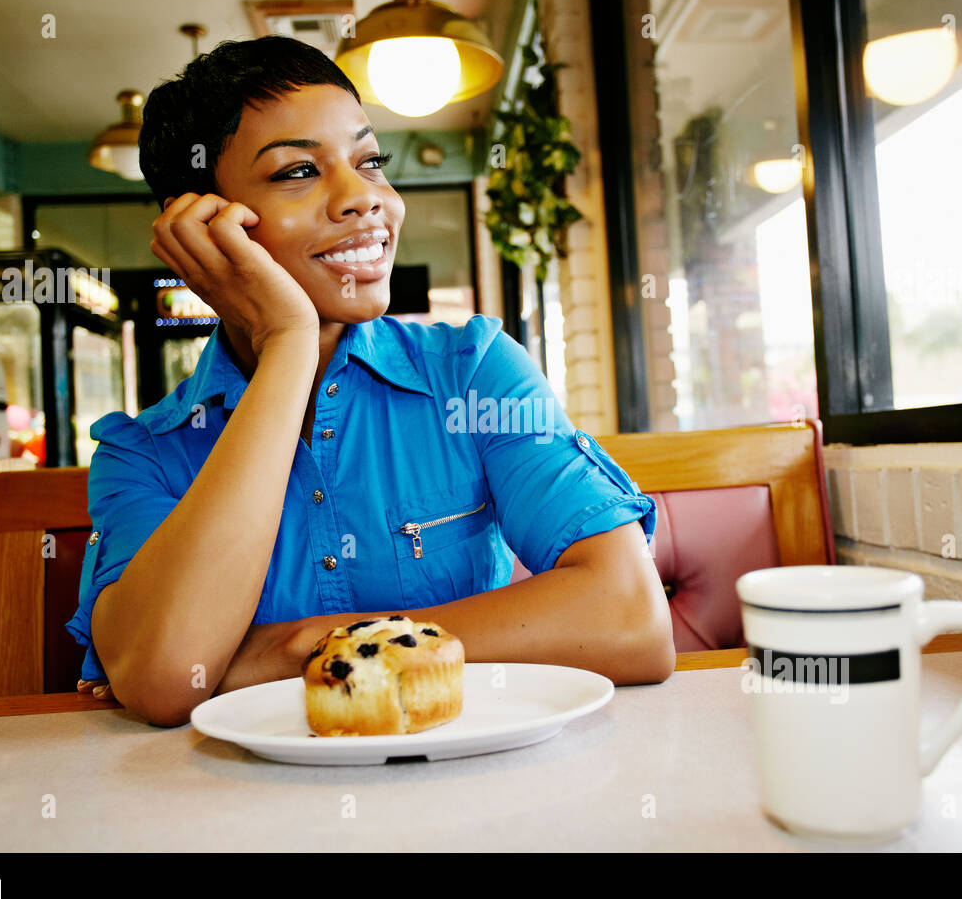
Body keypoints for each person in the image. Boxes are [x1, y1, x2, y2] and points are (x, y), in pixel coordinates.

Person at [66, 36, 673, 727]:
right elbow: (167, 679)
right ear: (204, 229)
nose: (365, 198)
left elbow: (630, 620)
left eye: (370, 161)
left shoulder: (473, 372)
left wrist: (298, 647)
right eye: (298, 170)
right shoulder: (142, 454)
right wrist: (288, 346)